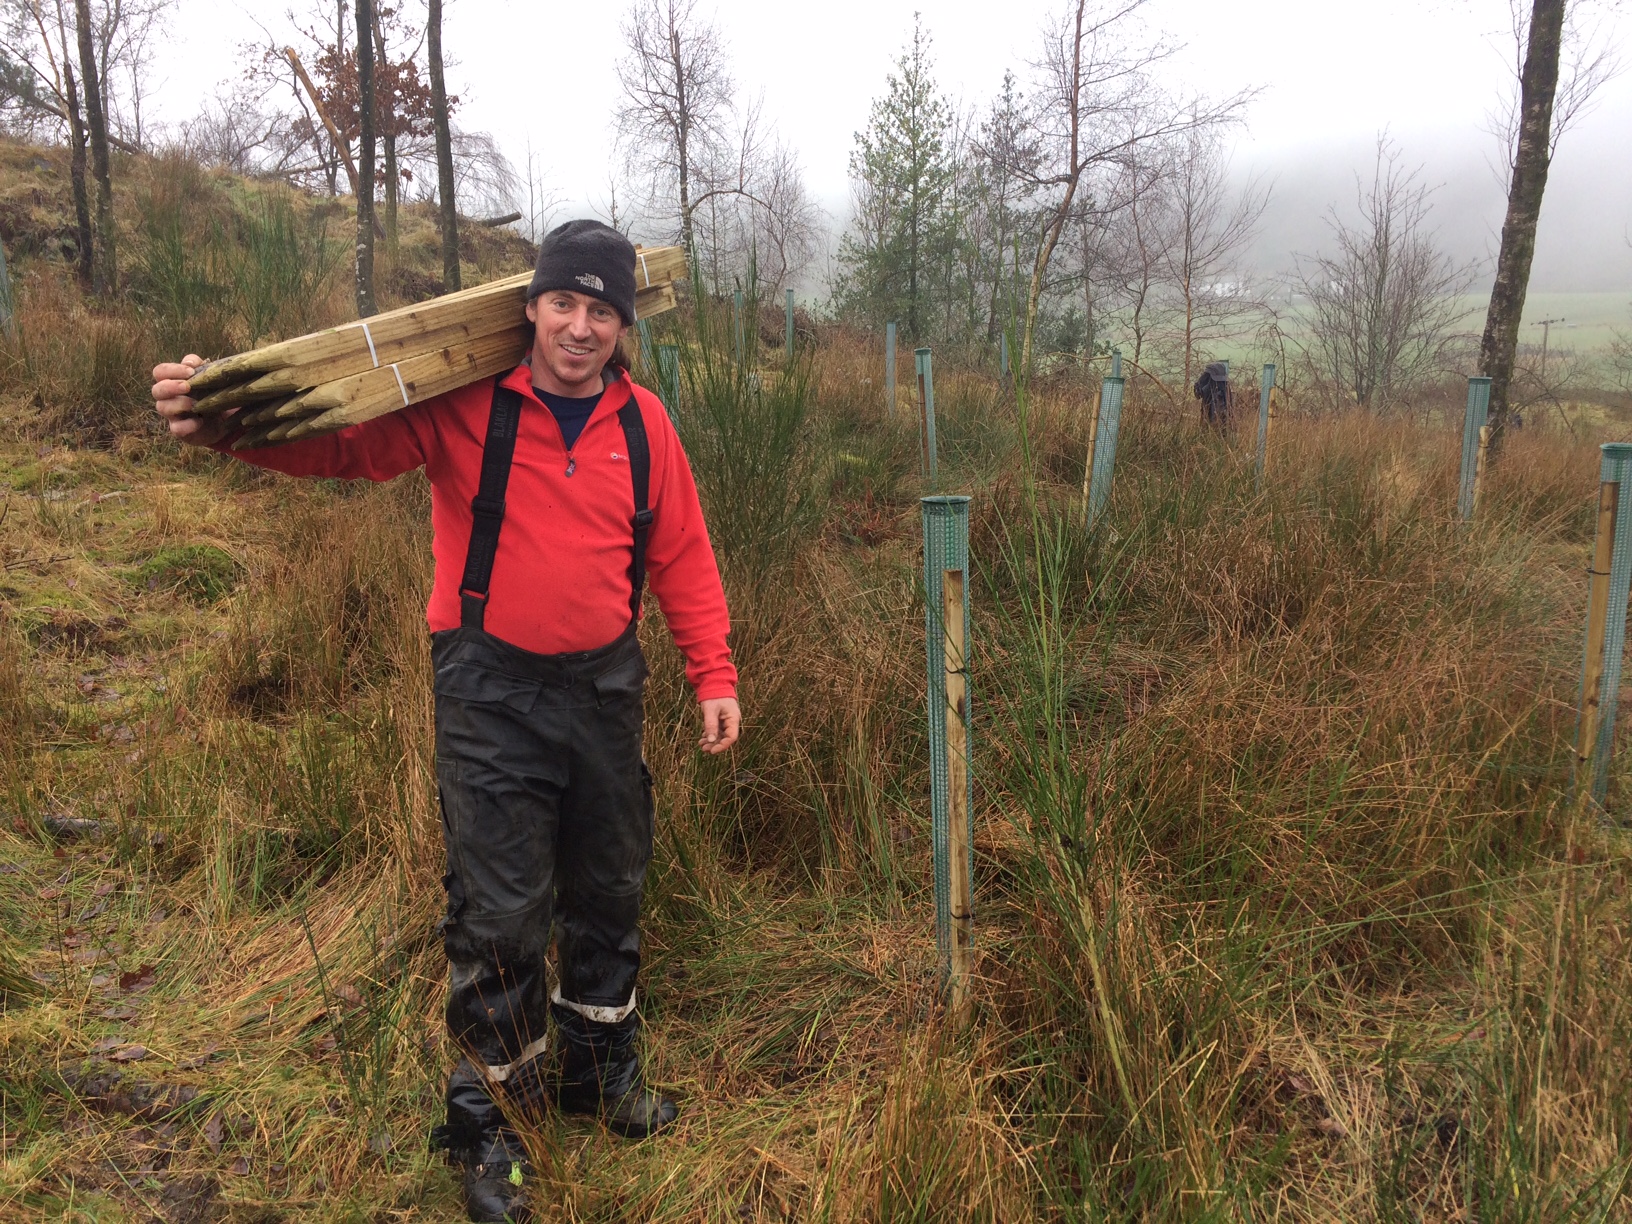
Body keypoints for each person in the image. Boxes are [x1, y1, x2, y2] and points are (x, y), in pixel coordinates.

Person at [151, 220, 740, 1223]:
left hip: (606, 688)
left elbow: (681, 553)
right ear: (530, 307)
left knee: (609, 886)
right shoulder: (466, 405)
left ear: (624, 325)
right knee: (501, 912)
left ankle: (600, 1076)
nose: (581, 327)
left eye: (603, 310)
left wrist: (712, 671)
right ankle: (491, 1130)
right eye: (565, 303)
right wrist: (228, 422)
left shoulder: (646, 427)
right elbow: (348, 446)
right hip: (489, 690)